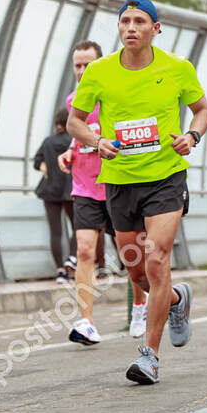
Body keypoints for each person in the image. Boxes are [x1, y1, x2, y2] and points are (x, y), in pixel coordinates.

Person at [69, 0, 207, 385]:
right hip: (119, 181)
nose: (131, 28)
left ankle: (150, 356)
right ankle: (178, 300)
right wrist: (96, 143)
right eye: (125, 21)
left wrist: (191, 136)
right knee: (138, 273)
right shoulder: (98, 72)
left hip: (166, 177)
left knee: (156, 259)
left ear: (155, 29)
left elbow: (203, 109)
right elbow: (75, 121)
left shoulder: (177, 68)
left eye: (140, 21)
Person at [60, 39, 132, 345]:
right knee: (86, 250)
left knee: (132, 258)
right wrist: (68, 150)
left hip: (117, 183)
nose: (81, 70)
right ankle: (86, 321)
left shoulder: (118, 95)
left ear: (101, 63)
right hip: (84, 186)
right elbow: (79, 132)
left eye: (87, 64)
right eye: (77, 64)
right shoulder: (73, 100)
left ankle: (141, 307)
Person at [32, 107, 74, 281]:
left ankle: (60, 270)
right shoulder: (73, 141)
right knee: (80, 227)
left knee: (55, 231)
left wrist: (46, 168)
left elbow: (36, 162)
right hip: (70, 189)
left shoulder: (48, 141)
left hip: (50, 190)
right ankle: (71, 260)